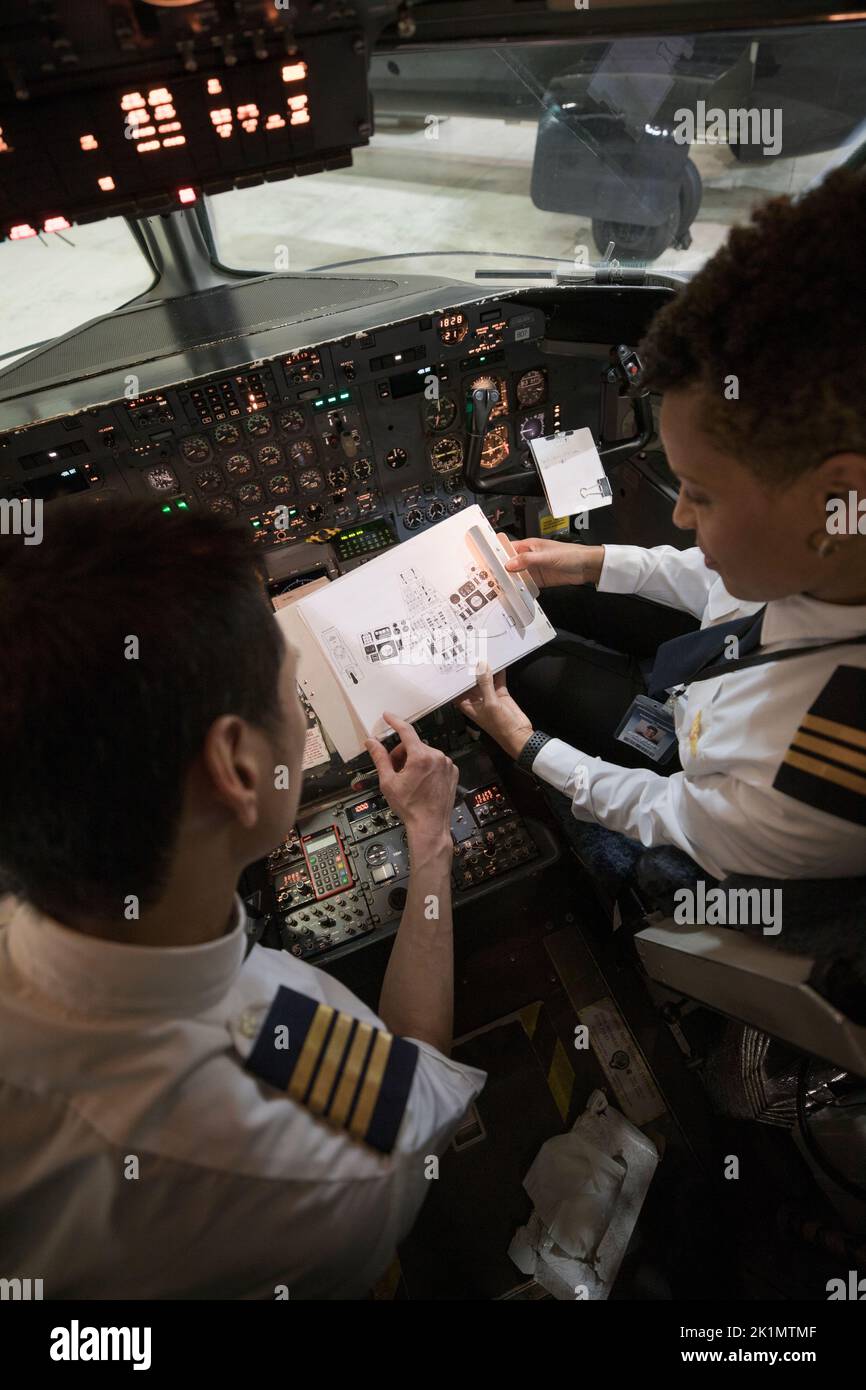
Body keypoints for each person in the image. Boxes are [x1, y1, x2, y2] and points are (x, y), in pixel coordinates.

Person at [0, 502, 484, 1299]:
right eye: (293, 695)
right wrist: (428, 843)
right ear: (236, 766)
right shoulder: (318, 1142)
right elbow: (418, 1074)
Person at [457, 169, 866, 882]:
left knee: (535, 676)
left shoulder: (817, 774)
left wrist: (522, 743)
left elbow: (666, 810)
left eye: (702, 495)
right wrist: (584, 563)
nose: (679, 515)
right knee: (542, 590)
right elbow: (714, 581)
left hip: (698, 770)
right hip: (716, 675)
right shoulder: (827, 549)